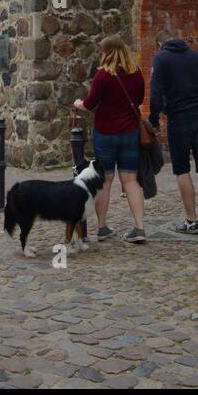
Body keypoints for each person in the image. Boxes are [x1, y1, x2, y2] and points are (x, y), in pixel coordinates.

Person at [73, 34, 146, 244]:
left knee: (105, 180)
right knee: (131, 181)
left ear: (107, 52)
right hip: (130, 133)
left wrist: (79, 104)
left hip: (105, 134)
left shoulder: (103, 76)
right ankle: (140, 228)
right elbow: (139, 99)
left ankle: (102, 227)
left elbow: (90, 103)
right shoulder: (136, 73)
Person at [149, 29, 198, 236]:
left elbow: (155, 93)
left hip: (178, 118)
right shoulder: (197, 56)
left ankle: (191, 221)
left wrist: (154, 119)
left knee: (181, 169)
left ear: (160, 44)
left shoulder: (160, 59)